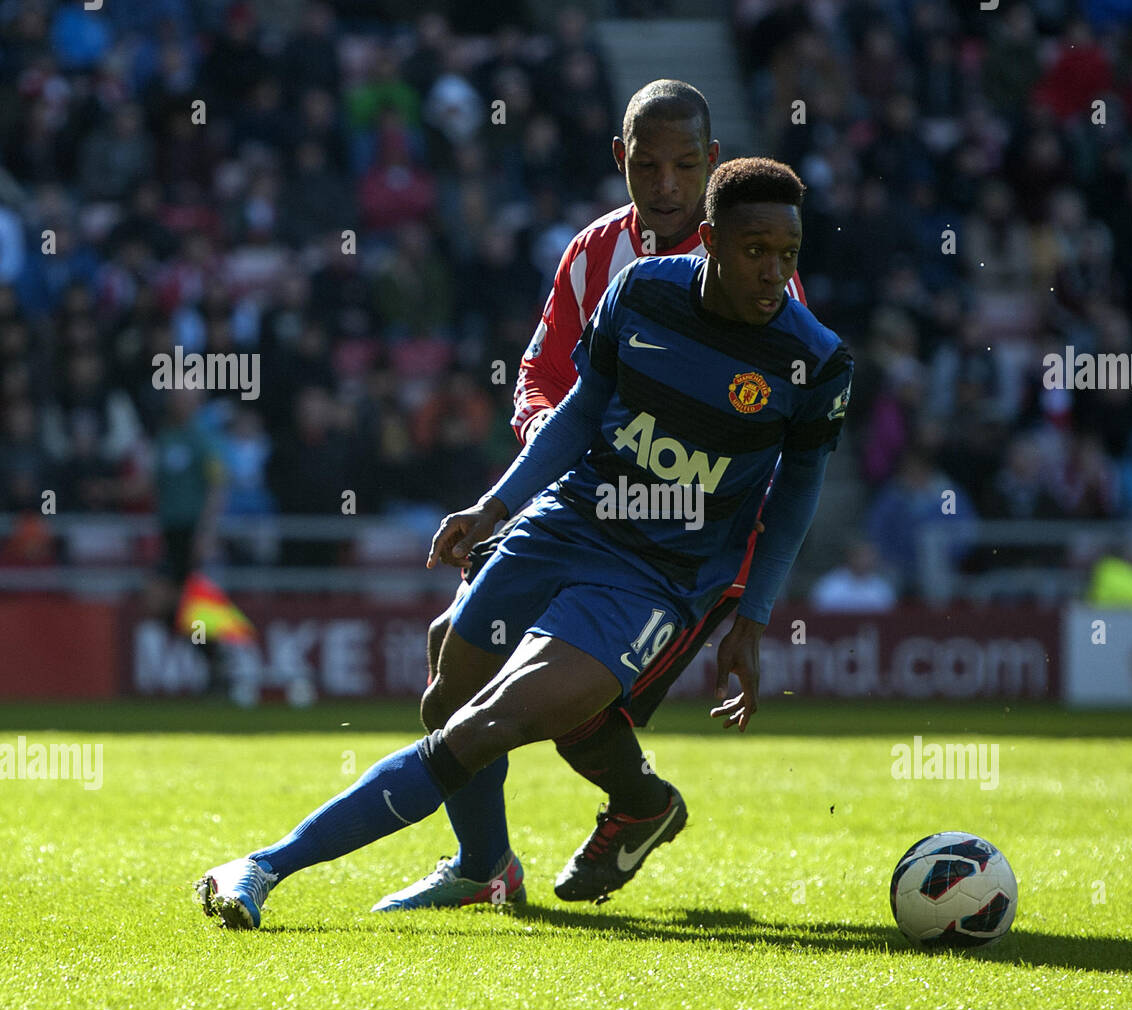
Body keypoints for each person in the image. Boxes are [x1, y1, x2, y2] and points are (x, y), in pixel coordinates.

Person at [195, 156, 853, 929]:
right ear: (708, 240)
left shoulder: (815, 361)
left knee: (489, 721)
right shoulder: (642, 291)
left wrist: (754, 615)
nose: (774, 271)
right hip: (572, 519)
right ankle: (487, 868)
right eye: (754, 250)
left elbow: (799, 489)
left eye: (788, 253)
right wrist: (494, 506)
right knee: (448, 688)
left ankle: (264, 867)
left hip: (657, 574)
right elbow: (579, 412)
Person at [374, 79, 805, 913]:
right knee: (449, 648)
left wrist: (752, 595)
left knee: (572, 692)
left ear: (714, 164)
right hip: (581, 505)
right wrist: (544, 439)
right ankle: (486, 862)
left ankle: (638, 805)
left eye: (686, 165)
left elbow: (792, 436)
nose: (668, 185)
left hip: (687, 541)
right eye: (649, 165)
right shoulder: (594, 252)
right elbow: (540, 375)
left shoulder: (756, 277)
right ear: (622, 160)